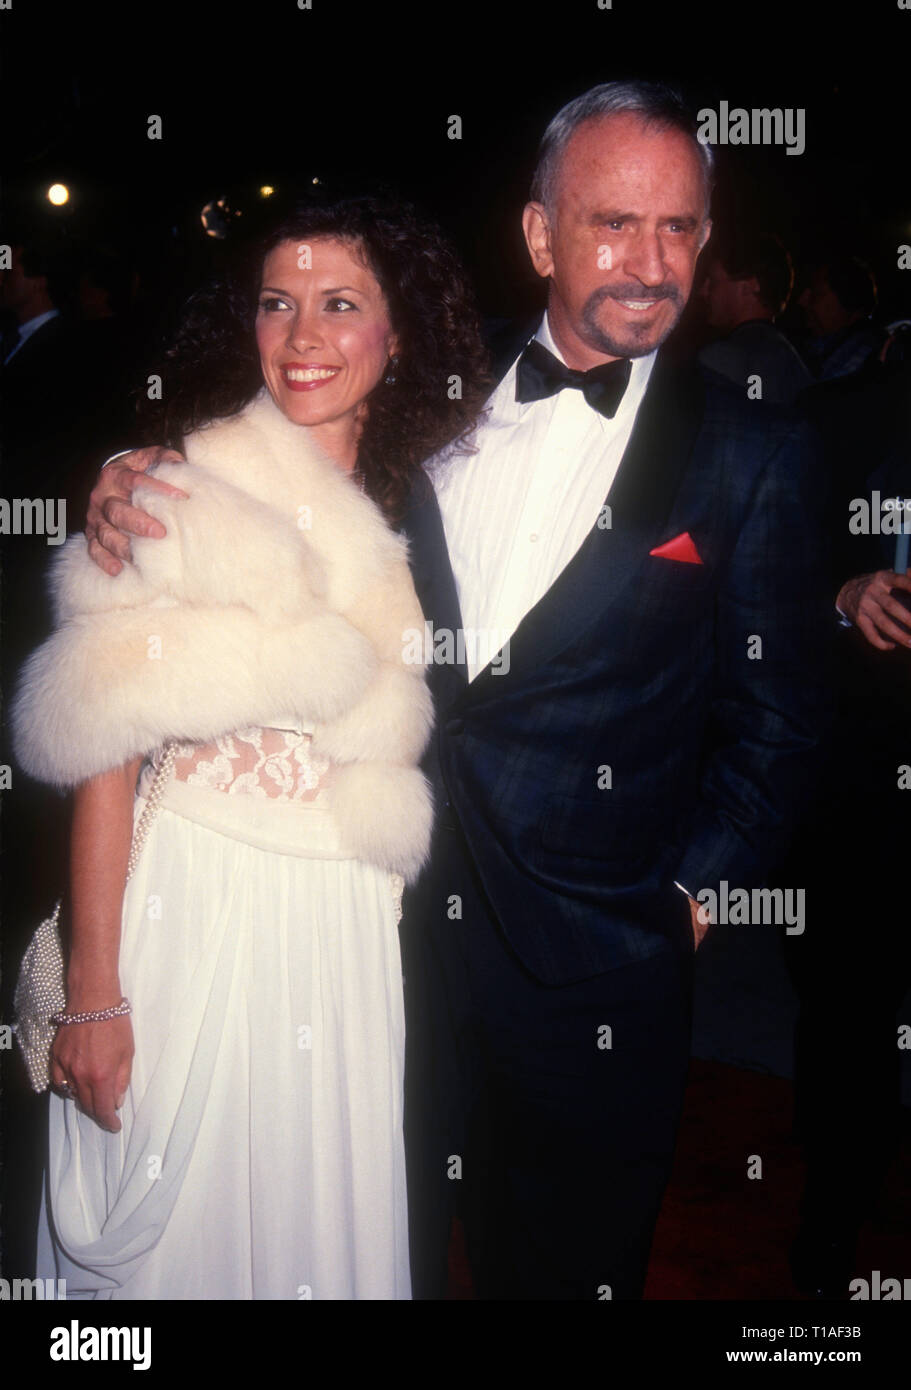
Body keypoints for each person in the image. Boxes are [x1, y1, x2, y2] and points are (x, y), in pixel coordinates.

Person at [84, 82, 834, 1301]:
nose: (649, 263)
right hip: (383, 951)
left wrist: (689, 893)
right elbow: (260, 438)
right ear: (539, 237)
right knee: (371, 1254)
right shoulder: (426, 383)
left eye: (680, 229)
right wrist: (119, 474)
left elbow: (783, 717)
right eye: (611, 224)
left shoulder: (755, 445)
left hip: (596, 980)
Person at [11, 192, 490, 1300]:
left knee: (308, 1232)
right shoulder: (176, 490)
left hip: (346, 926)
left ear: (397, 328)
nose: (303, 336)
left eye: (339, 304)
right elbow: (102, 749)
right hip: (195, 909)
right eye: (277, 303)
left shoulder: (425, 497)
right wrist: (92, 989)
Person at [697, 230, 811, 404]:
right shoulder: (796, 360)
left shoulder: (725, 358)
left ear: (749, 287)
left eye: (713, 281)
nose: (703, 291)